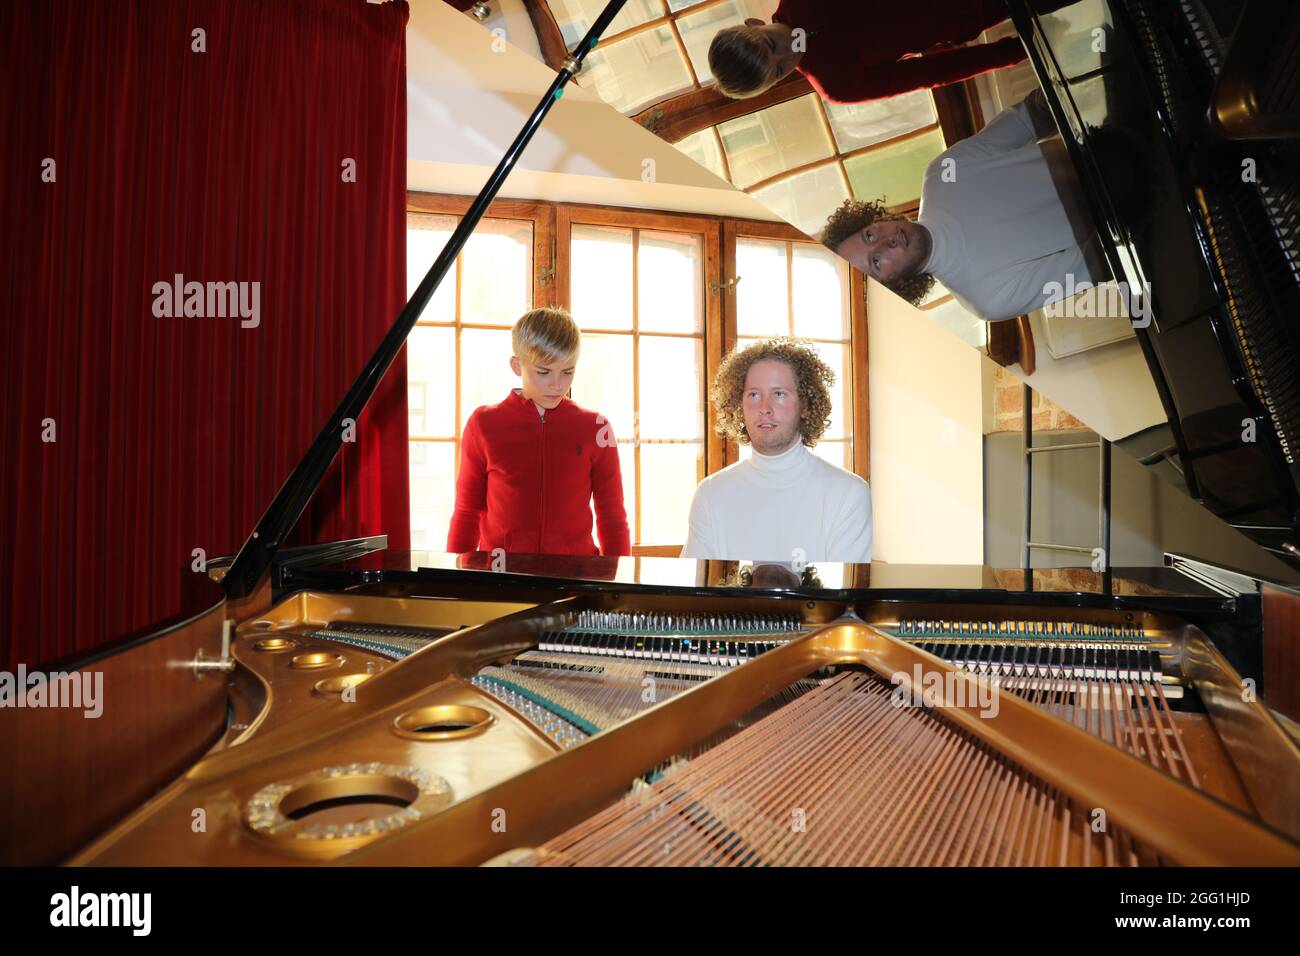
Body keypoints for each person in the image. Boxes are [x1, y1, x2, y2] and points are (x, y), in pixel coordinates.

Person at [822, 89, 1109, 321]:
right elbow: (1100, 262)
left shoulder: (940, 175)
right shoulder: (987, 299)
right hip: (1139, 206)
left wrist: (1087, 83)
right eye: (876, 262)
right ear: (896, 285)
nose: (886, 243)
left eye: (869, 235)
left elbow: (1032, 115)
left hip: (1108, 135)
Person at [446, 307, 630, 557]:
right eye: (543, 372)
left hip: (576, 581)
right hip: (502, 580)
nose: (557, 384)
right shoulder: (484, 424)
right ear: (516, 365)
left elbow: (612, 517)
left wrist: (618, 584)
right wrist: (454, 582)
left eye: (568, 372)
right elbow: (467, 512)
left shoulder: (596, 428)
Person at [681, 337, 872, 564]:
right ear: (738, 405)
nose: (764, 408)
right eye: (754, 394)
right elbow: (695, 592)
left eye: (779, 394)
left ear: (805, 405)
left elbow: (842, 596)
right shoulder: (710, 494)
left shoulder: (848, 493)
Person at [707, 0, 1025, 103]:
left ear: (753, 22)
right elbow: (929, 74)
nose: (788, 52)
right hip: (983, 10)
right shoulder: (837, 85)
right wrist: (1010, 52)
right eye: (778, 70)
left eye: (770, 44)